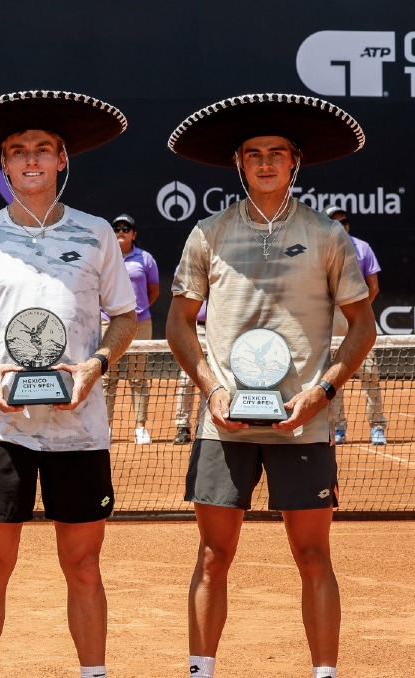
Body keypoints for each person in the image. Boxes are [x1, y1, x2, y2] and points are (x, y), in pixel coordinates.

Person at [165, 93, 375, 678]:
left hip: (304, 421)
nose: (264, 163)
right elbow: (179, 322)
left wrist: (323, 393)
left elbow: (363, 326)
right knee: (212, 556)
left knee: (313, 555)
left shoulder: (328, 235)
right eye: (253, 154)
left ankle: (324, 674)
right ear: (239, 161)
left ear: (295, 161)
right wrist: (211, 388)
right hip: (223, 421)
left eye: (276, 153)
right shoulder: (207, 234)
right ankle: (201, 671)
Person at [0, 90, 137, 678]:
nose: (30, 161)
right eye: (18, 152)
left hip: (80, 429)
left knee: (84, 565)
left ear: (61, 160)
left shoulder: (97, 234)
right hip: (1, 427)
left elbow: (123, 316)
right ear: (3, 165)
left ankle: (92, 674)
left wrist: (94, 367)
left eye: (42, 150)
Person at [324, 205, 386, 446]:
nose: (341, 225)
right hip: (333, 317)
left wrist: (361, 311)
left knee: (370, 373)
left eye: (345, 221)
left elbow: (374, 286)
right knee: (334, 375)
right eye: (335, 222)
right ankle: (338, 427)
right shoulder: (322, 249)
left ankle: (377, 427)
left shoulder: (363, 248)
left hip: (359, 315)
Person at [101, 214, 159, 444]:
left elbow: (153, 290)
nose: (121, 231)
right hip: (108, 321)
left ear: (134, 234)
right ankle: (105, 427)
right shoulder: (104, 257)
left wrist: (138, 310)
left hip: (140, 323)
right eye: (117, 228)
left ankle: (140, 427)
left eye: (127, 228)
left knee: (138, 377)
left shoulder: (145, 259)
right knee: (107, 376)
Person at [172, 299, 207, 444]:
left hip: (220, 329)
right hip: (195, 328)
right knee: (187, 380)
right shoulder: (190, 275)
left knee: (212, 380)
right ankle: (183, 427)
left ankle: (203, 426)